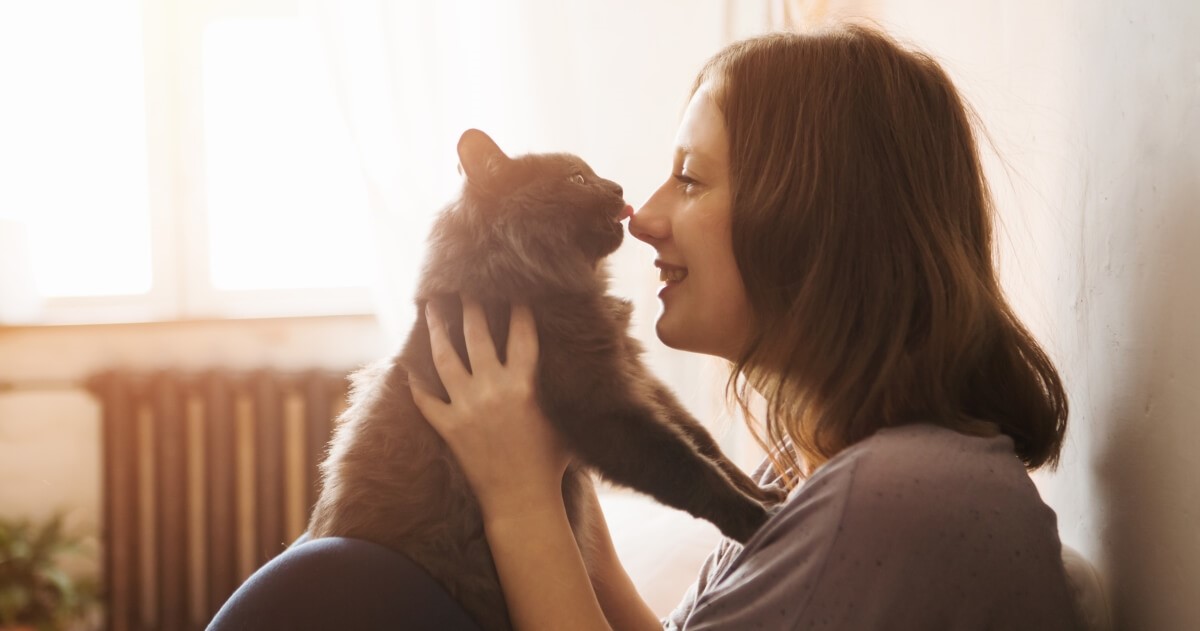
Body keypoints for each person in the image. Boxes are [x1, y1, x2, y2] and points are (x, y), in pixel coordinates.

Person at [210, 24, 1082, 631]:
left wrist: (518, 494)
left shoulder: (893, 495)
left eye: (691, 181)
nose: (645, 215)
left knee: (330, 587)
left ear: (813, 219)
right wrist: (556, 488)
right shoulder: (839, 473)